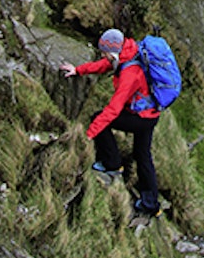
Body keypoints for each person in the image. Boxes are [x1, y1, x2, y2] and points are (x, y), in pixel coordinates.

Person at [60, 28, 161, 216]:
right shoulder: (127, 54)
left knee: (101, 121)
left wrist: (91, 133)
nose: (103, 55)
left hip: (142, 117)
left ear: (112, 51)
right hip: (150, 113)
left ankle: (112, 163)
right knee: (142, 155)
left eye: (104, 52)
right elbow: (102, 66)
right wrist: (78, 70)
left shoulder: (130, 73)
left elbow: (114, 109)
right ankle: (151, 205)